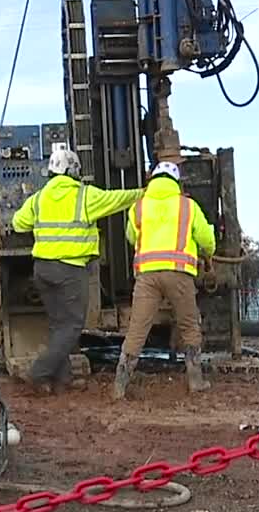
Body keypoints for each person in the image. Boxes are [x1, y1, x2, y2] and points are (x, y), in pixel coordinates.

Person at [11, 146, 143, 393]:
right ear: (73, 170)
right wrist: (143, 193)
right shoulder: (84, 196)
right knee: (72, 327)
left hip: (42, 269)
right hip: (70, 271)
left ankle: (61, 381)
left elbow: (18, 223)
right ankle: (39, 372)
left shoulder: (38, 198)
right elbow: (117, 199)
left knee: (58, 326)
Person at [113, 161, 216, 400]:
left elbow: (131, 237)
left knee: (137, 330)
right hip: (179, 274)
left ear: (152, 180)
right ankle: (195, 380)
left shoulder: (139, 207)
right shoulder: (188, 206)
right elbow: (206, 238)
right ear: (176, 182)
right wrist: (208, 253)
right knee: (189, 326)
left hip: (147, 276)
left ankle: (120, 385)